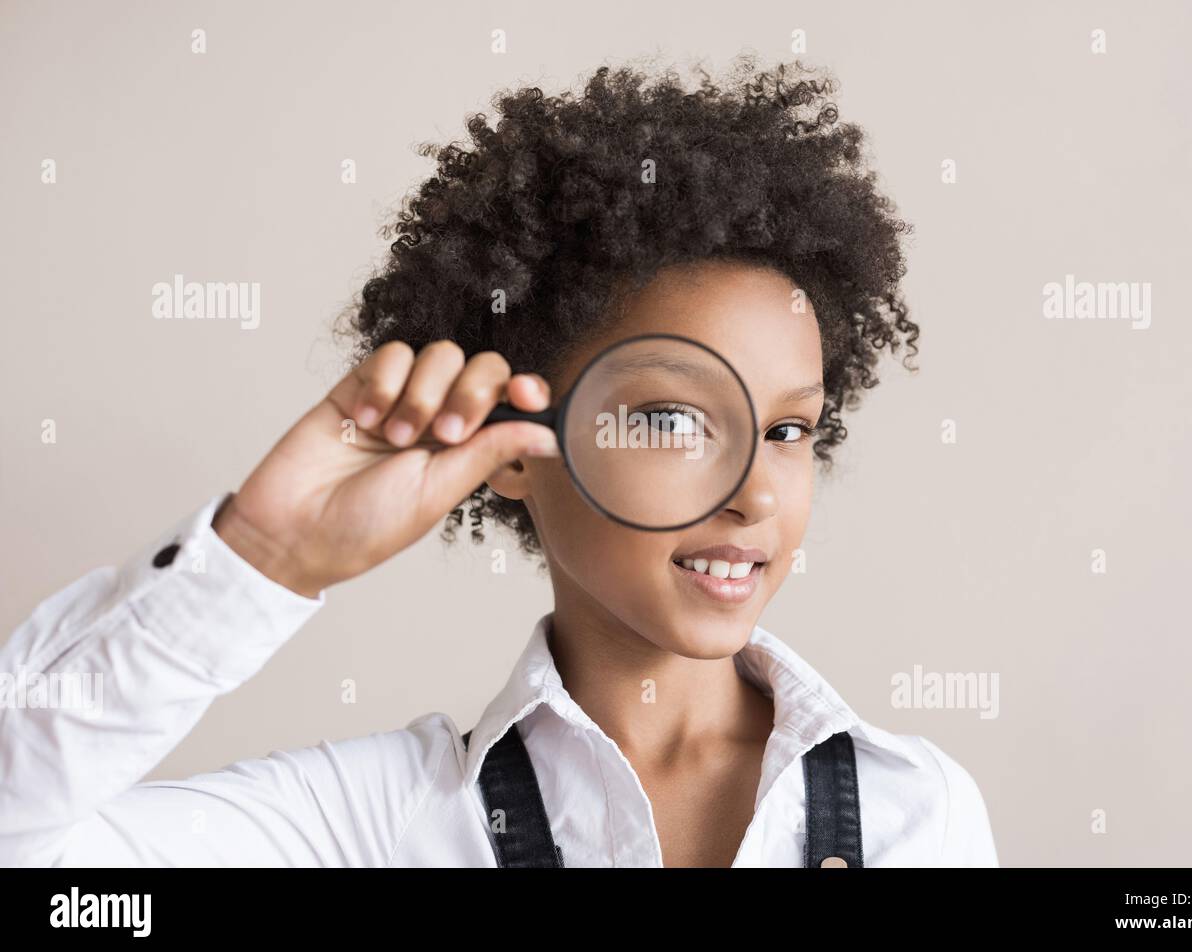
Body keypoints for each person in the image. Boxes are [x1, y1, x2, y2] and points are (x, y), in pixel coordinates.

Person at [0, 56, 997, 867]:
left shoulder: (919, 812)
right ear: (514, 445)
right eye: (673, 420)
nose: (754, 495)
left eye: (787, 431)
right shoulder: (381, 823)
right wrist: (264, 558)